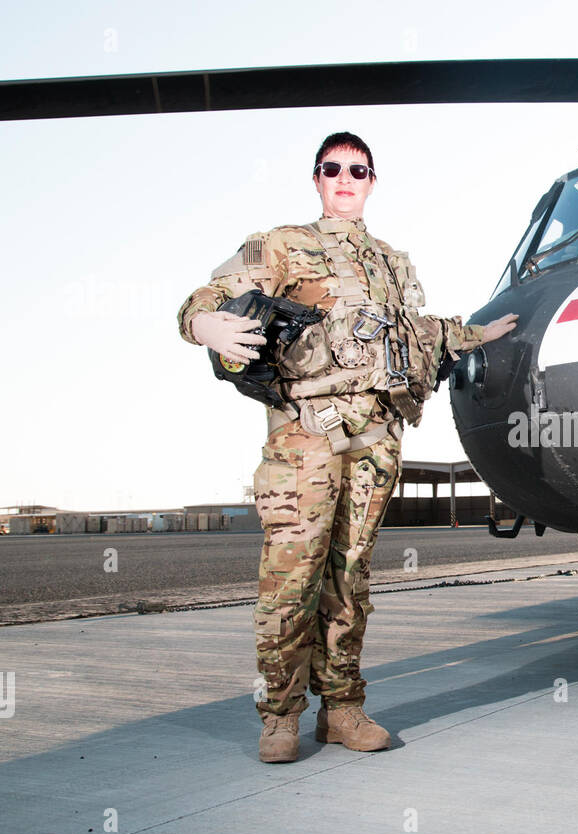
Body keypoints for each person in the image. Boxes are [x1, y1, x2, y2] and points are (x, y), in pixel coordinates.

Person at [177, 131, 517, 762]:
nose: (344, 179)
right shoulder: (282, 243)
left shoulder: (390, 261)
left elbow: (417, 331)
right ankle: (279, 716)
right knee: (292, 574)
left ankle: (343, 709)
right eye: (332, 169)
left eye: (356, 171)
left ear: (371, 181)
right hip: (304, 433)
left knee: (350, 574)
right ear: (316, 179)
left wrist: (478, 333)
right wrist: (204, 325)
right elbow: (205, 299)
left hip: (375, 436)